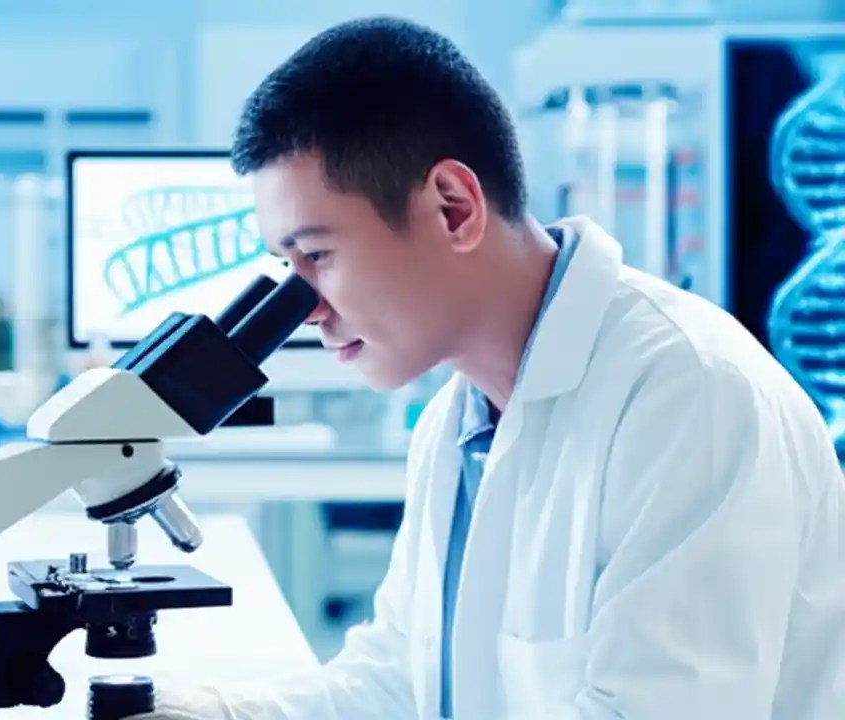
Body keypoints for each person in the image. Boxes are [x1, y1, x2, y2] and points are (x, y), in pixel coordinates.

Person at [133, 16, 845, 720]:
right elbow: (399, 684)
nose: (306, 310)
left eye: (317, 256)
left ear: (453, 209)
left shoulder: (688, 397)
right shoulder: (458, 419)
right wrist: (218, 715)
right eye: (284, 267)